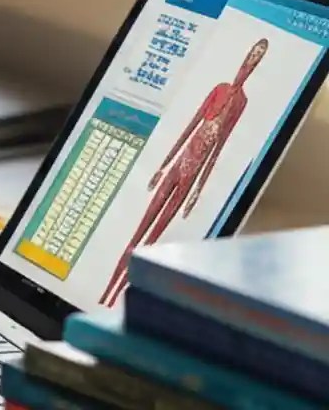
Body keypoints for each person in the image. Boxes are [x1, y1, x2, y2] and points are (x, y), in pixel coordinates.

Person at [98, 38, 268, 306]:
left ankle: (114, 300)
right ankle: (105, 294)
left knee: (149, 245)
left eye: (258, 58)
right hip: (178, 167)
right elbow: (189, 128)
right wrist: (163, 166)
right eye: (252, 55)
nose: (251, 62)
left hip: (190, 178)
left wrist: (197, 191)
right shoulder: (220, 89)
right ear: (246, 56)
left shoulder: (241, 103)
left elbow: (217, 151)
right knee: (137, 233)